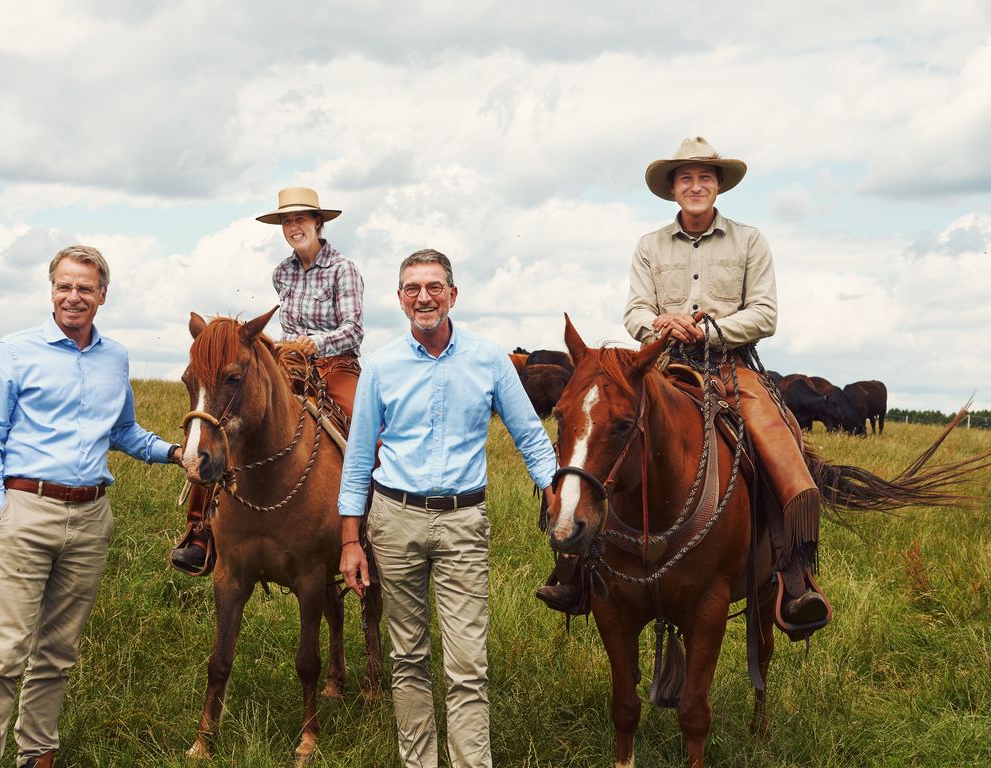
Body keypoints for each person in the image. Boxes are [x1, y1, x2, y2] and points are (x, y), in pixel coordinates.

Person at [535, 137, 831, 640]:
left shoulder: (749, 240)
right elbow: (634, 310)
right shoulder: (650, 245)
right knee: (603, 433)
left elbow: (765, 312)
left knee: (781, 450)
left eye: (705, 178)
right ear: (673, 189)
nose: (696, 186)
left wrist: (711, 330)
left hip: (730, 365)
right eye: (686, 178)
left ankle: (792, 574)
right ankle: (574, 566)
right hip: (660, 365)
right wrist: (659, 325)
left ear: (718, 187)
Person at [0, 245, 183, 768]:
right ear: (51, 290)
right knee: (5, 652)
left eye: (85, 288)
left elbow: (122, 430)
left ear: (102, 296)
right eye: (64, 286)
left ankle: (37, 753)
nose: (73, 297)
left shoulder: (115, 356)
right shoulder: (15, 350)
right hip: (25, 510)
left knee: (57, 653)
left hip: (90, 518)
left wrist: (173, 453)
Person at [338, 249, 557, 768]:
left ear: (453, 295)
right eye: (413, 288)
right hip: (394, 519)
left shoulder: (488, 359)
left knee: (467, 664)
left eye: (434, 287)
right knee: (407, 658)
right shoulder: (382, 367)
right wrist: (351, 540)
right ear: (399, 299)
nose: (424, 297)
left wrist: (554, 491)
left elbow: (530, 435)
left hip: (462, 521)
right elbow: (359, 456)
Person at [169, 187, 365, 574]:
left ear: (318, 223)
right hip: (288, 367)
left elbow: (354, 328)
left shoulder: (343, 269)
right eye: (287, 221)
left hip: (336, 364)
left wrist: (317, 342)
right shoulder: (282, 272)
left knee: (366, 432)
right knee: (227, 422)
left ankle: (372, 528)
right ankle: (201, 530)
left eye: (301, 219)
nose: (294, 227)